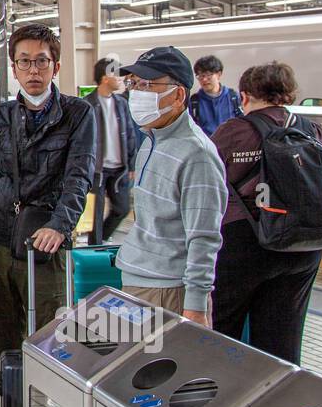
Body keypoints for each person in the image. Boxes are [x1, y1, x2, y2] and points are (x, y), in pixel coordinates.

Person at [0, 24, 95, 359]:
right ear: (13, 69)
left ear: (56, 66)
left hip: (43, 242)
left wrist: (60, 225)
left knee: (48, 338)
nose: (33, 70)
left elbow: (78, 176)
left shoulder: (77, 114)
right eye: (24, 62)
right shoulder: (0, 115)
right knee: (4, 339)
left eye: (41, 61)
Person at [211, 62, 322, 364]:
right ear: (289, 94)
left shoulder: (234, 131)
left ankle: (223, 401)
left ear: (244, 95)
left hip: (245, 241)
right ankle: (281, 405)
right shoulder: (313, 130)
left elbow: (209, 186)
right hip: (306, 244)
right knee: (284, 338)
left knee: (220, 331)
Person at [116, 47, 228, 324]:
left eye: (147, 85)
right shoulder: (151, 139)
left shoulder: (196, 154)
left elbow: (204, 237)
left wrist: (195, 307)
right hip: (139, 281)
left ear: (178, 95)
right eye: (134, 84)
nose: (137, 93)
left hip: (169, 291)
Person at [84, 58, 141, 243]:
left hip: (119, 168)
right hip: (97, 169)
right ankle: (95, 247)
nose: (120, 79)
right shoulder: (88, 104)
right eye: (115, 74)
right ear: (104, 77)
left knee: (122, 208)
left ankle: (101, 239)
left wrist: (131, 163)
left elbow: (130, 134)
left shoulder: (122, 103)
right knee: (95, 214)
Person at [189, 55, 243, 138]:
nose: (204, 79)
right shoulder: (193, 102)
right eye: (200, 76)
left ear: (219, 74)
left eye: (208, 75)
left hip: (231, 147)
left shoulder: (234, 98)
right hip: (205, 148)